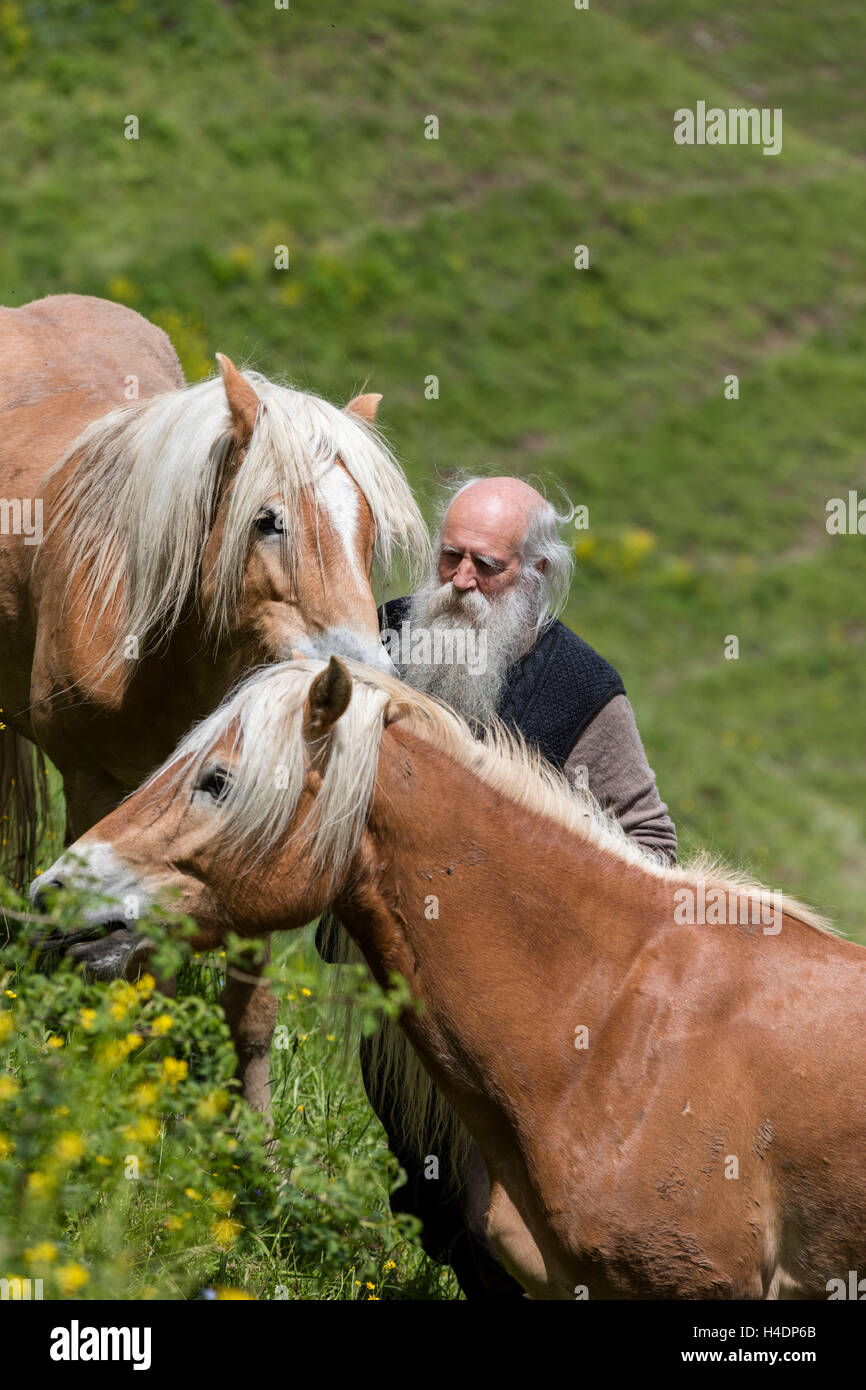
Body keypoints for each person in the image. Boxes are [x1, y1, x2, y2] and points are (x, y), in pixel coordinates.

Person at [318, 475, 677, 1297]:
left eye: (487, 566)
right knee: (438, 1204)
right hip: (390, 1000)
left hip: (512, 1021)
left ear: (538, 576)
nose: (460, 583)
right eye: (448, 558)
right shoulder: (384, 641)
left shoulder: (585, 689)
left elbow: (652, 847)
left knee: (505, 1224)